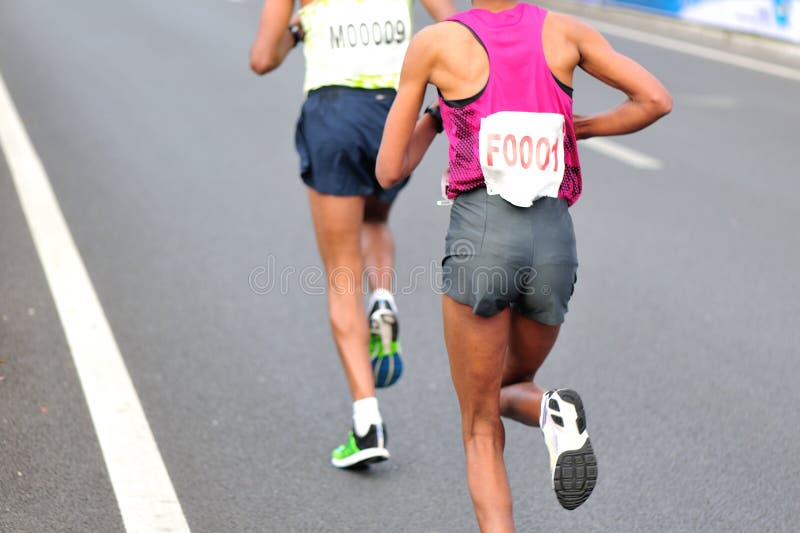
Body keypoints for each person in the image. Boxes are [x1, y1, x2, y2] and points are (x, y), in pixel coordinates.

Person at [376, 0, 671, 529]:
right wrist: (582, 129)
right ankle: (553, 412)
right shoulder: (565, 31)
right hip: (554, 242)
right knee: (515, 383)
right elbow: (654, 99)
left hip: (482, 237)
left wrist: (434, 116)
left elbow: (388, 169)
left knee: (480, 426)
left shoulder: (437, 43)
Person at [249, 0, 455, 469]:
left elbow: (263, 58)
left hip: (335, 113)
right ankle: (382, 297)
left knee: (342, 274)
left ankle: (367, 424)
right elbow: (455, 26)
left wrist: (300, 30)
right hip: (393, 114)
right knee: (376, 220)